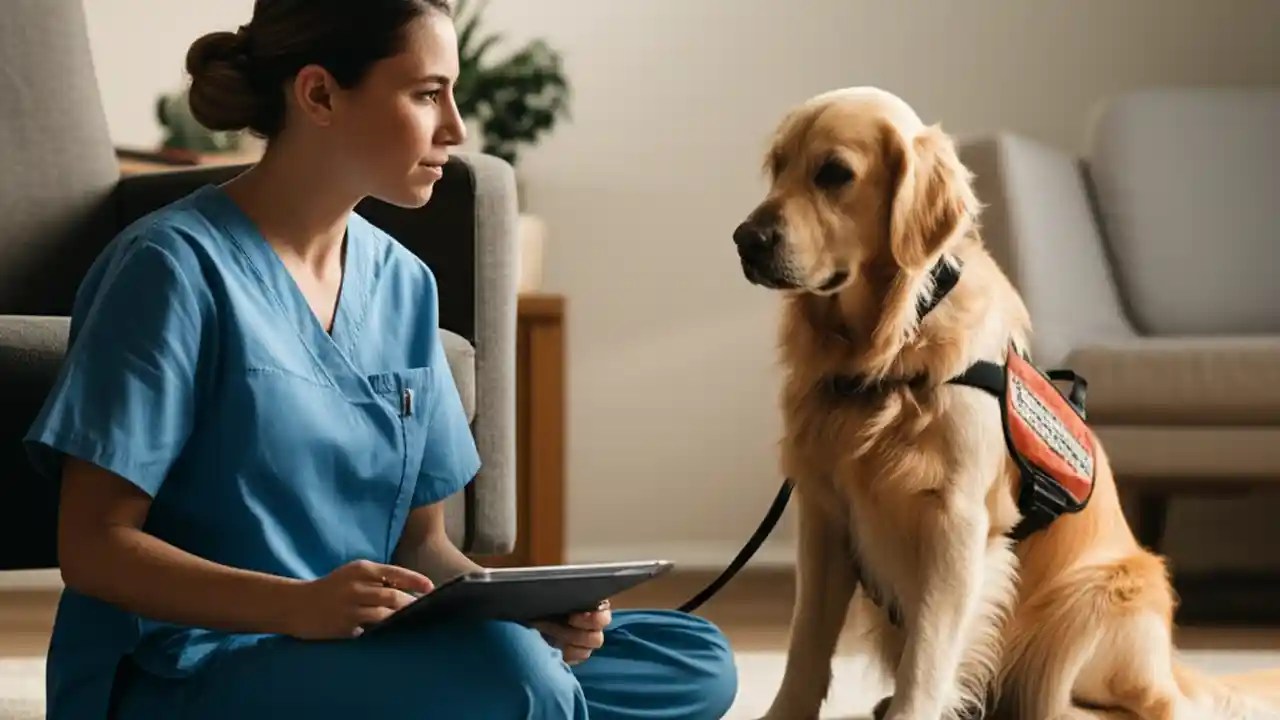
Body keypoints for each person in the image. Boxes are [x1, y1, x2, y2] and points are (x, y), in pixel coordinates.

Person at [23, 1, 738, 718]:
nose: (456, 128)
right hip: (196, 664)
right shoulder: (170, 271)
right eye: (428, 93)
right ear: (320, 94)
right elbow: (94, 547)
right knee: (516, 680)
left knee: (693, 658)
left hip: (364, 648)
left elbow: (423, 547)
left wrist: (525, 612)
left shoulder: (404, 282)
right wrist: (297, 607)